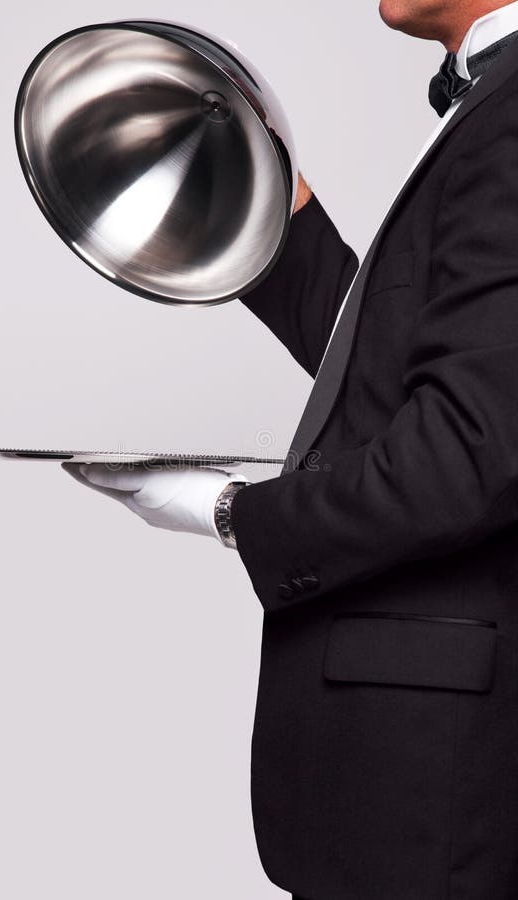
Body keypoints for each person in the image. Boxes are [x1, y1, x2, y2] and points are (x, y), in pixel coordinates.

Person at [64, 2, 518, 896]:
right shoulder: (495, 103)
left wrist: (231, 512)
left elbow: (466, 453)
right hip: (405, 793)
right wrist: (272, 209)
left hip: (437, 793)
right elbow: (399, 375)